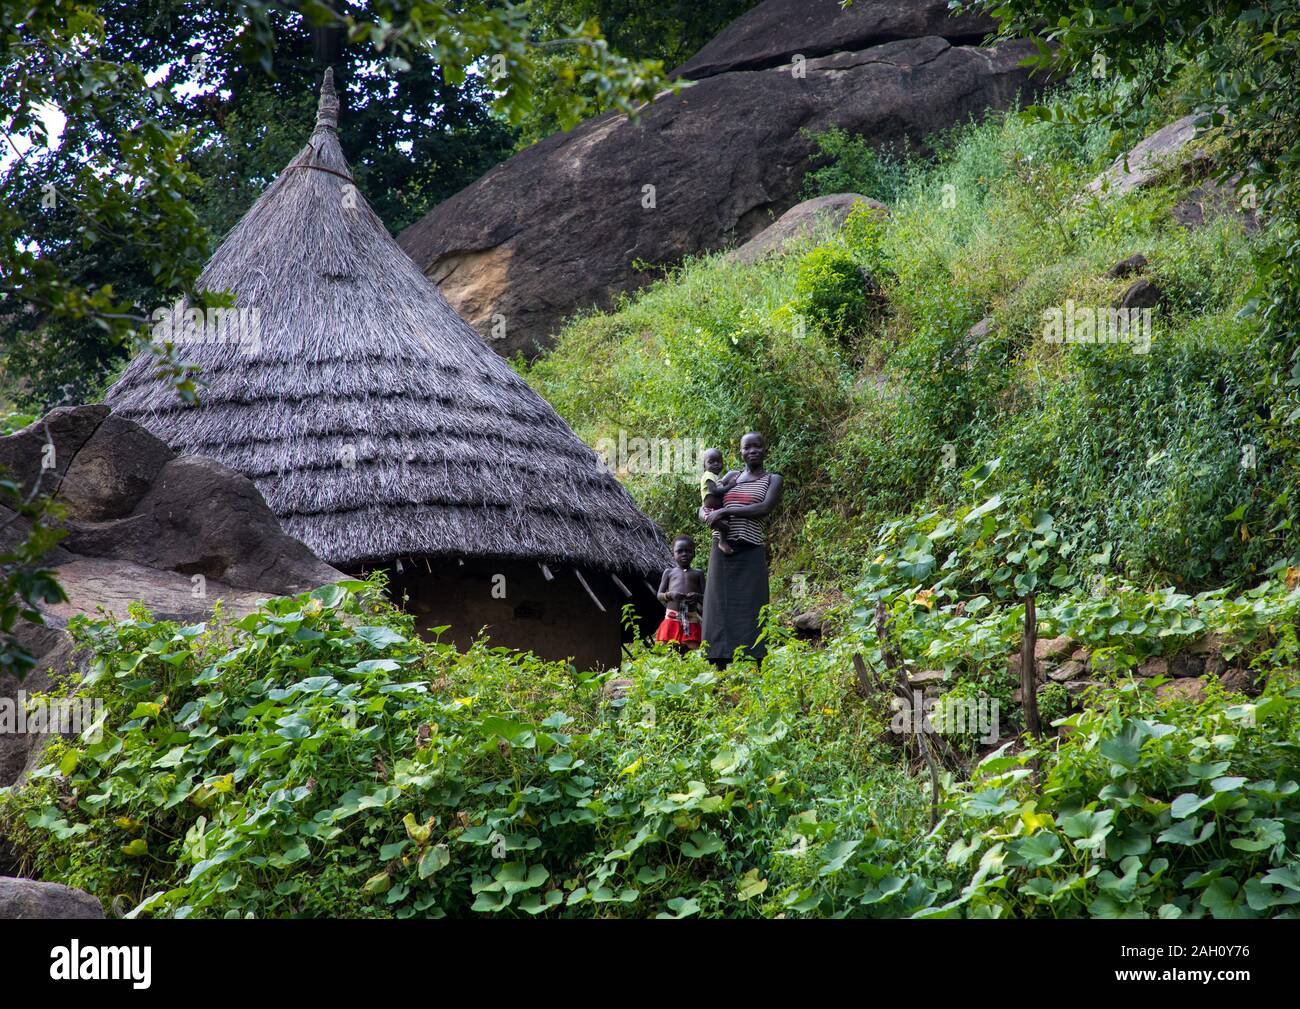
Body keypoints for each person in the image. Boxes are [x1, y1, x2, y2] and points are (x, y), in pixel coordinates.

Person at [699, 432, 783, 668]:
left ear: (765, 449)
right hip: (722, 550)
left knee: (753, 604)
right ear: (741, 452)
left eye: (757, 446)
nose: (753, 451)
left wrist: (726, 513)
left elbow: (764, 508)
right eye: (747, 447)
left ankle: (756, 661)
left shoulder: (773, 479)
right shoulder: (731, 476)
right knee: (718, 605)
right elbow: (707, 502)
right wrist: (707, 516)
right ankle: (719, 664)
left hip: (751, 549)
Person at [655, 535, 705, 649]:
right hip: (672, 616)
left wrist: (697, 597)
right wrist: (670, 595)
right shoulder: (669, 572)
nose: (684, 554)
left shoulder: (698, 573)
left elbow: (707, 597)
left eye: (688, 551)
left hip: (691, 617)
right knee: (666, 649)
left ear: (694, 553)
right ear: (673, 554)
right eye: (680, 551)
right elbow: (659, 595)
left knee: (694, 649)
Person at [699, 448, 737, 556]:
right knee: (724, 524)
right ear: (704, 465)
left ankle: (722, 540)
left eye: (719, 461)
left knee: (725, 524)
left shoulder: (716, 477)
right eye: (711, 462)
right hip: (711, 505)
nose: (716, 464)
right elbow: (714, 491)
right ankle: (722, 541)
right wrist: (730, 486)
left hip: (716, 507)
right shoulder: (708, 475)